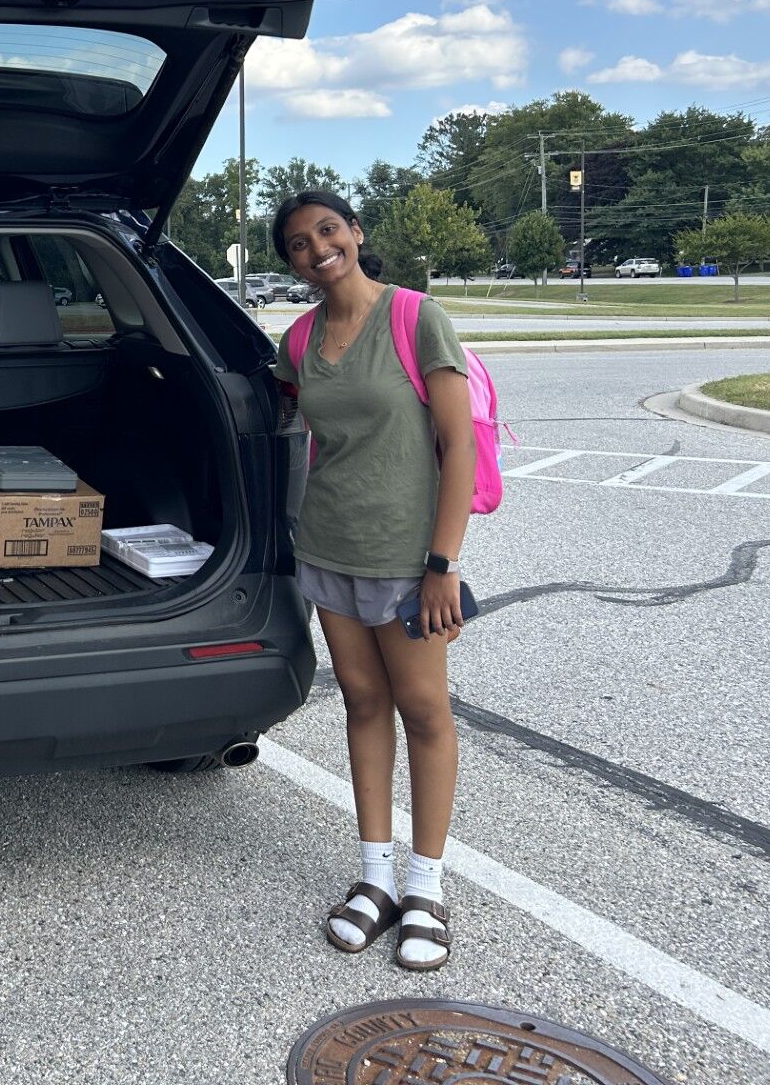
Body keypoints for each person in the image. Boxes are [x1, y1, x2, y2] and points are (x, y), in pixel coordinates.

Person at [270, 189, 476, 973]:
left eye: (328, 231)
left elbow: (456, 446)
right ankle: (377, 877)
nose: (317, 248)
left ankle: (426, 889)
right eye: (297, 243)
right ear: (289, 260)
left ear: (355, 234)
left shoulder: (418, 319)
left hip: (407, 560)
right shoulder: (299, 339)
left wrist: (442, 565)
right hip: (328, 547)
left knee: (424, 713)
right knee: (362, 705)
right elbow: (295, 417)